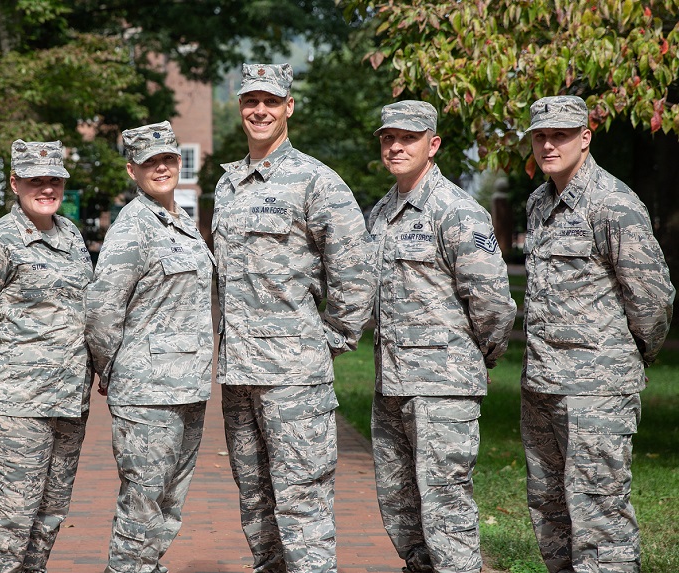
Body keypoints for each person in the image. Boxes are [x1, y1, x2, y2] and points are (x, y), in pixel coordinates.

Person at [211, 62, 375, 573]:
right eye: (250, 102)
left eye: (270, 102)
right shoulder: (229, 183)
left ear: (289, 107)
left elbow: (355, 272)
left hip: (293, 377)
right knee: (255, 501)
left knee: (302, 504)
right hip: (237, 373)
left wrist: (328, 338)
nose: (259, 110)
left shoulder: (317, 181)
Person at [521, 95, 674, 573]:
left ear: (584, 139)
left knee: (599, 518)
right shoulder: (539, 202)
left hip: (598, 389)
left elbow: (653, 297)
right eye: (541, 136)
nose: (549, 145)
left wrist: (630, 355)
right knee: (550, 513)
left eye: (561, 135)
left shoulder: (614, 203)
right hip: (542, 385)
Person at [366, 101, 517, 573]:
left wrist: (475, 360)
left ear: (432, 145)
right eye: (388, 138)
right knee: (400, 507)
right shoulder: (382, 212)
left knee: (446, 511)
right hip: (390, 384)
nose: (395, 146)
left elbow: (493, 303)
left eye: (407, 138)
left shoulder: (457, 211)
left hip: (444, 387)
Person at [0, 140, 93, 572]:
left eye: (53, 180)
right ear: (14, 183)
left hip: (66, 404)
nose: (45, 188)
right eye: (34, 180)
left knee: (48, 518)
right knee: (7, 525)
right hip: (11, 408)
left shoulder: (71, 235)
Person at [85, 121, 214, 573]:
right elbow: (103, 307)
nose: (161, 168)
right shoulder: (133, 225)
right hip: (146, 392)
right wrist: (111, 366)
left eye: (168, 160)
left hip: (189, 387)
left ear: (178, 163)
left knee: (168, 504)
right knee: (142, 506)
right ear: (132, 170)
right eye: (149, 163)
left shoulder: (181, 221)